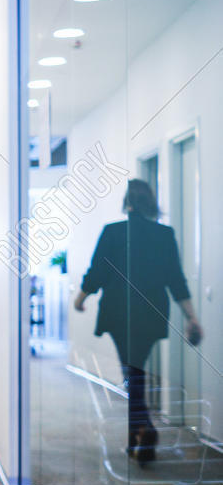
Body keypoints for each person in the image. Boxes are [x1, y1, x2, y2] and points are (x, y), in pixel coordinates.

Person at [73, 179, 202, 465]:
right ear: (150, 203)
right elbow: (175, 279)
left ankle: (144, 430)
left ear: (126, 202)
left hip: (119, 313)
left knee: (132, 372)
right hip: (151, 313)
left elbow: (97, 272)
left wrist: (80, 298)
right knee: (136, 369)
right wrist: (191, 316)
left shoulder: (112, 232)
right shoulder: (164, 235)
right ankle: (137, 439)